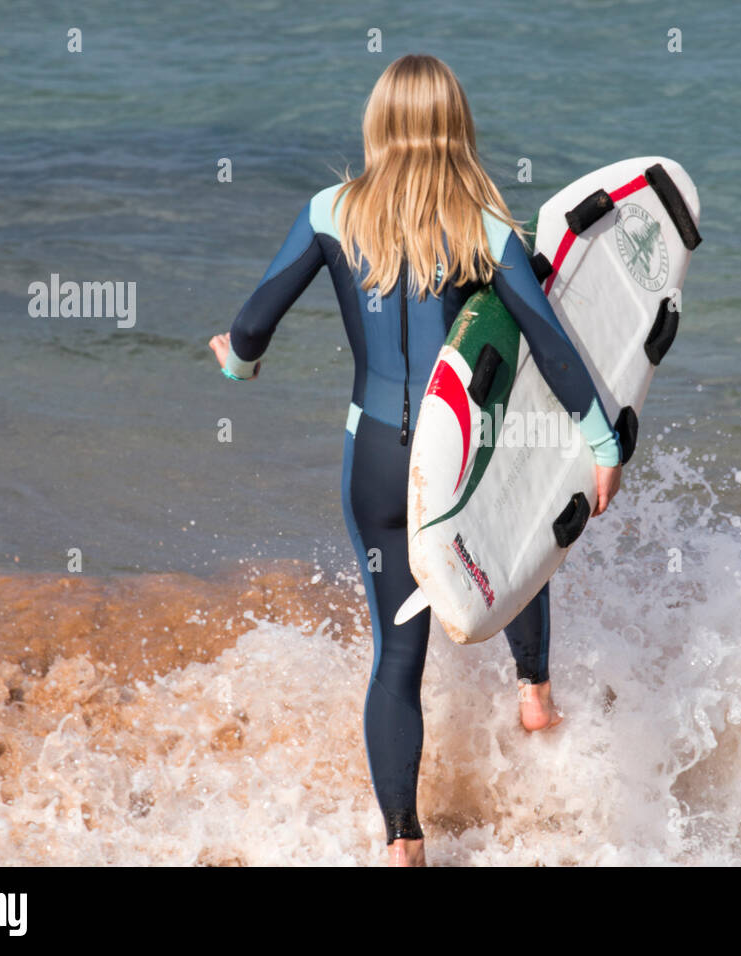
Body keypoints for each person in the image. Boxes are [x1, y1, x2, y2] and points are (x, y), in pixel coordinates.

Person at [209, 54, 623, 866]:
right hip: (460, 452)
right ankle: (533, 691)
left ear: (378, 123)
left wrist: (236, 361)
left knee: (397, 656)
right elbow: (550, 341)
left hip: (376, 459)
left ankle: (403, 844)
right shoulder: (484, 225)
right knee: (511, 543)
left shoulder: (332, 213)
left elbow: (253, 326)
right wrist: (603, 442)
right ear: (456, 126)